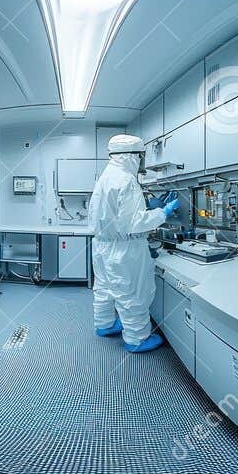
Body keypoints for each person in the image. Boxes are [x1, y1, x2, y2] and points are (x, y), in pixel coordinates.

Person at [89, 134, 179, 353]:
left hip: (102, 246)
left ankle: (105, 324)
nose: (141, 162)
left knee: (104, 288)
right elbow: (135, 222)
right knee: (132, 294)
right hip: (124, 249)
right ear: (131, 156)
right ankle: (137, 339)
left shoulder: (105, 178)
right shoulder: (127, 181)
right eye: (140, 157)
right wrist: (163, 212)